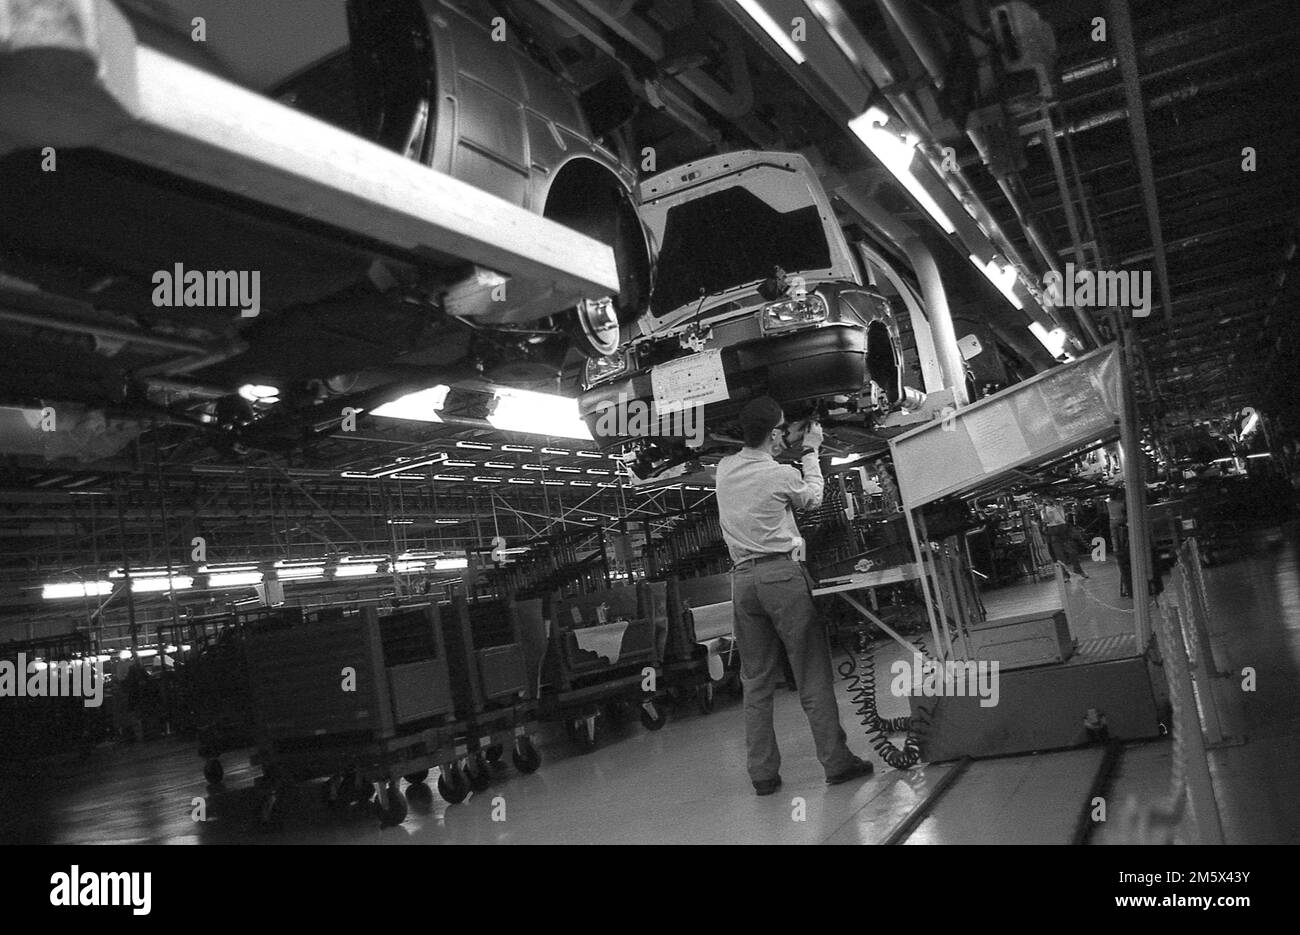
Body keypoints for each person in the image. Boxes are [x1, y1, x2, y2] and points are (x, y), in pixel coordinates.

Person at [715, 396, 873, 796]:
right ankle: (836, 763)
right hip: (781, 576)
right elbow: (813, 498)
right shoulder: (782, 474)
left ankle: (762, 775)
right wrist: (812, 451)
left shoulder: (724, 468)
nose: (786, 432)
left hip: (742, 582)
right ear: (772, 434)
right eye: (783, 427)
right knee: (811, 673)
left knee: (756, 682)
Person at [1040, 496, 1088, 579]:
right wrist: (1045, 512)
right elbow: (1045, 520)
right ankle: (1065, 575)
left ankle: (1079, 570)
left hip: (1063, 530)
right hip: (1053, 531)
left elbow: (1064, 512)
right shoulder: (1044, 510)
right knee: (1060, 556)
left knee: (1072, 552)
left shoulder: (1059, 507)